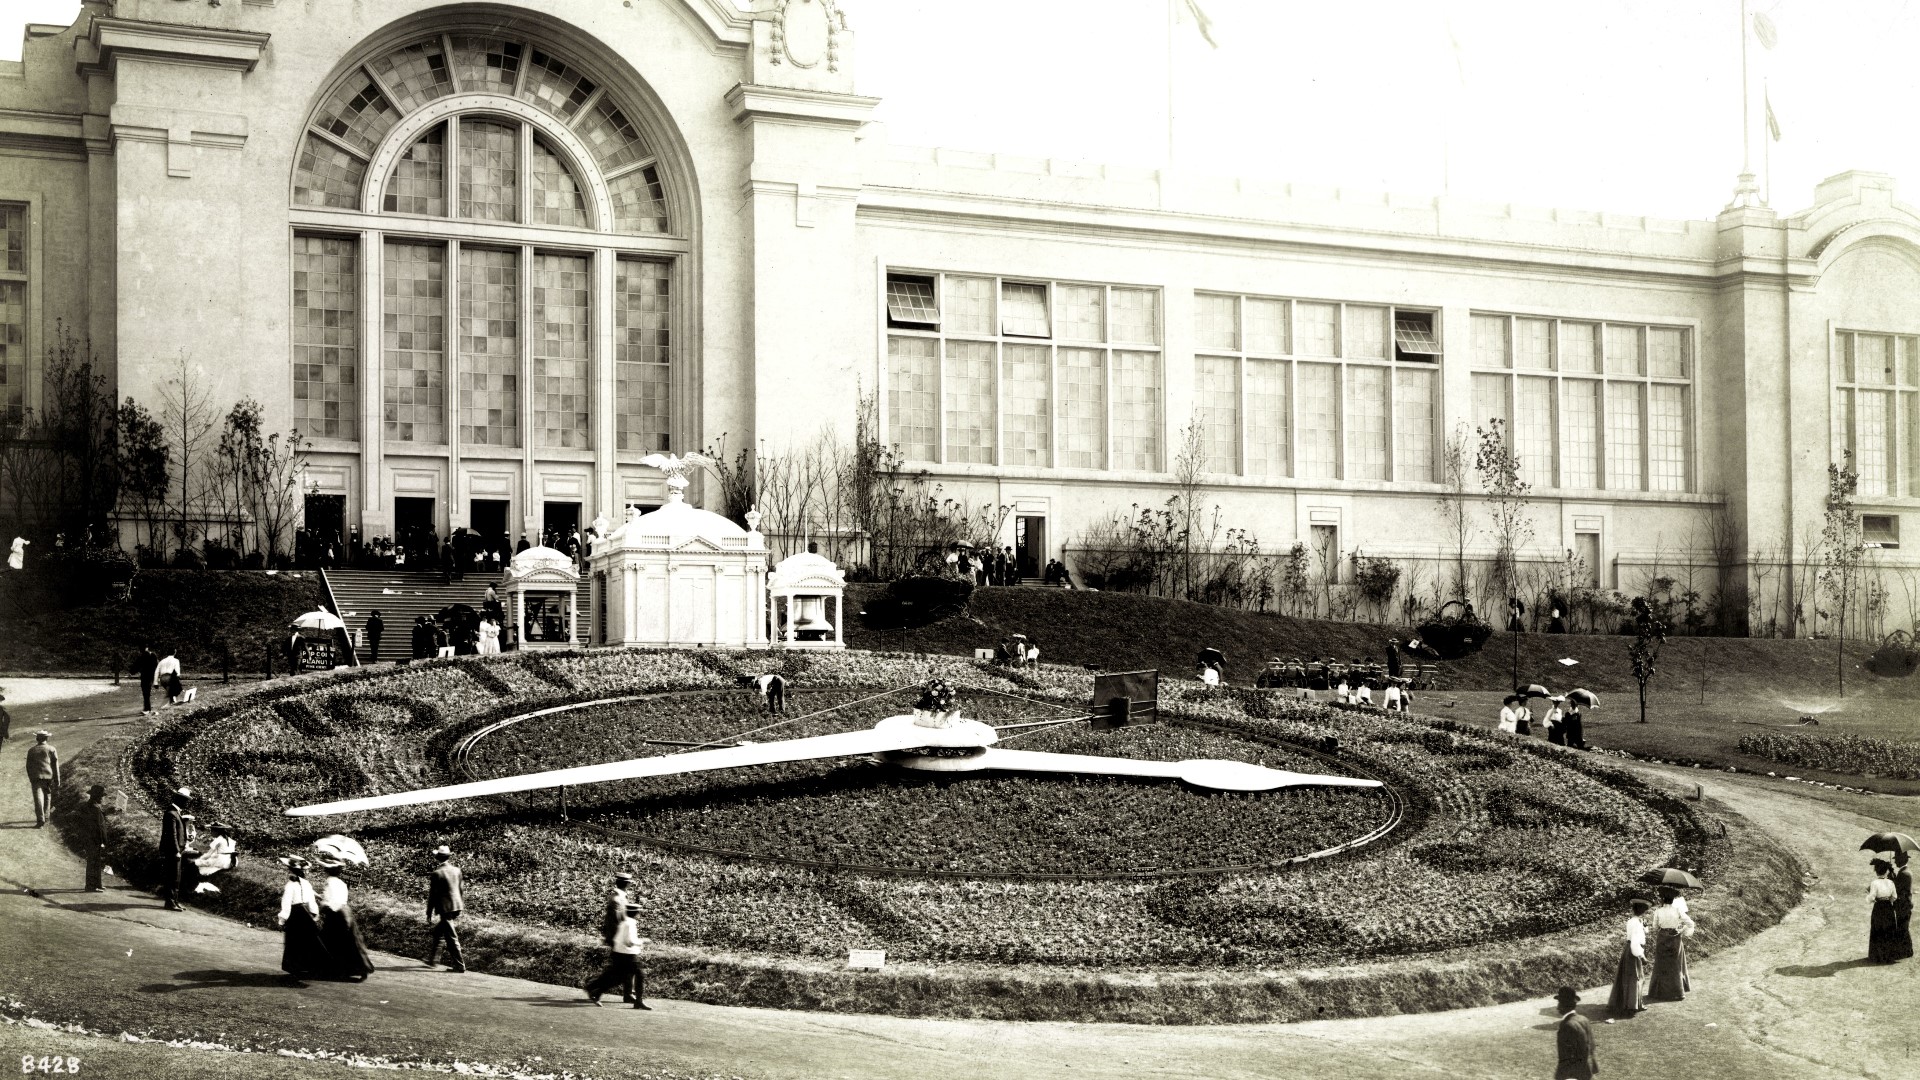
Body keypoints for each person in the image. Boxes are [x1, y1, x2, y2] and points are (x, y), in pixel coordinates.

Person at [316, 861, 375, 980]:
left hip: (335, 914)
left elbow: (328, 901)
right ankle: (359, 969)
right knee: (350, 941)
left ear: (327, 870)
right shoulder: (342, 883)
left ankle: (332, 970)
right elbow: (340, 899)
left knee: (330, 941)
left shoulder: (329, 882)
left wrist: (320, 906)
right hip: (346, 912)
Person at [586, 903, 651, 1009]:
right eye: (639, 912)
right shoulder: (630, 924)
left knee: (618, 978)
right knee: (640, 975)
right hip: (628, 955)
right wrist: (643, 941)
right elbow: (629, 942)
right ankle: (638, 1001)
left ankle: (596, 991)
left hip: (619, 952)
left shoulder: (624, 923)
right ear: (636, 913)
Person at [275, 856, 327, 985]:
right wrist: (314, 913)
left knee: (293, 943)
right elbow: (311, 900)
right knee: (307, 941)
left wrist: (282, 919)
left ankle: (294, 971)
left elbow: (286, 903)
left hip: (295, 914)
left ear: (290, 869)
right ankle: (307, 969)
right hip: (305, 914)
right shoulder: (306, 883)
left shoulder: (290, 885)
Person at [1645, 887, 1695, 1001]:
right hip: (1674, 938)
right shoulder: (1677, 910)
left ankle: (1660, 992)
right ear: (1673, 899)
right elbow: (1690, 923)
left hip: (1662, 937)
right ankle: (1678, 992)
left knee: (1661, 964)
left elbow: (1655, 927)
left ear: (1662, 899)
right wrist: (1682, 930)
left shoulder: (1658, 911)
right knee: (1675, 964)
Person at [425, 845, 466, 972]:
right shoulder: (457, 870)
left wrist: (429, 911)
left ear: (437, 858)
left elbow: (433, 894)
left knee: (451, 936)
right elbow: (461, 889)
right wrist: (459, 905)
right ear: (448, 857)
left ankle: (459, 965)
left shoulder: (437, 873)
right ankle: (433, 960)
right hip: (457, 906)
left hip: (445, 908)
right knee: (439, 931)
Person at [1606, 898, 1649, 1021]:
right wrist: (1642, 956)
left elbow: (1642, 933)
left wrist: (1645, 926)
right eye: (1643, 910)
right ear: (1640, 910)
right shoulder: (1636, 923)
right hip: (1633, 951)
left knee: (1631, 977)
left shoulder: (1634, 921)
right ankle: (1632, 1005)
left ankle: (1634, 1003)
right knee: (1635, 977)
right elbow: (1635, 942)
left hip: (1629, 950)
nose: (1644, 912)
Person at [601, 871, 639, 1003]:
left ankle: (628, 993)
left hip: (619, 937)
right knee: (622, 969)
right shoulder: (617, 899)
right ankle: (594, 988)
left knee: (625, 968)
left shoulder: (619, 897)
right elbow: (616, 921)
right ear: (627, 884)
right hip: (619, 938)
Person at [157, 785, 193, 909]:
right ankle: (170, 902)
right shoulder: (171, 813)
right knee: (172, 876)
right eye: (185, 800)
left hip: (177, 850)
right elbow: (172, 835)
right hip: (173, 850)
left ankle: (174, 900)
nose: (186, 803)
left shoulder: (175, 813)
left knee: (176, 877)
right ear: (179, 799)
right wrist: (177, 850)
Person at [76, 783, 116, 892]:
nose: (103, 799)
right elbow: (99, 826)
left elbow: (100, 814)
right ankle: (90, 886)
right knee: (93, 862)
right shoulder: (95, 808)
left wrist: (108, 811)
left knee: (95, 862)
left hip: (89, 839)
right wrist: (104, 841)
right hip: (94, 840)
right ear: (97, 797)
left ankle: (97, 884)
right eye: (102, 796)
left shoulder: (90, 806)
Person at [1553, 986, 1597, 1080]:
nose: (1557, 1007)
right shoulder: (1584, 1019)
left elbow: (1566, 1058)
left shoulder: (1566, 1026)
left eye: (1559, 1003)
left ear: (1562, 1006)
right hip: (1587, 1071)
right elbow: (1591, 1046)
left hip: (1575, 1075)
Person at [1868, 858, 1902, 963]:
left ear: (1876, 871)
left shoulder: (1874, 883)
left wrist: (1870, 898)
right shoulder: (1891, 882)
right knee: (1888, 929)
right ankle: (1889, 955)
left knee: (1878, 928)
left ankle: (1877, 956)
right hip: (1888, 907)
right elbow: (1894, 896)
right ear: (1886, 871)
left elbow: (1871, 897)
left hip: (1879, 907)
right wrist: (1889, 901)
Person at [189, 822, 238, 895]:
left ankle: (191, 888)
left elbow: (209, 854)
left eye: (212, 830)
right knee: (199, 864)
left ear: (217, 831)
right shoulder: (230, 840)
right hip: (229, 861)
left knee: (193, 865)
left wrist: (199, 860)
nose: (210, 832)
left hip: (219, 861)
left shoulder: (218, 840)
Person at [25, 730, 60, 827]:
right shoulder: (51, 749)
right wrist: (57, 780)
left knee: (38, 798)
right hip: (48, 777)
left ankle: (40, 820)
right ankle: (46, 817)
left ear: (37, 738)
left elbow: (28, 766)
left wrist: (31, 777)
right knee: (47, 796)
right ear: (47, 738)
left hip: (36, 777)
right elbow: (55, 765)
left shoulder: (31, 750)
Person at [1893, 851, 1914, 962]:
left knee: (1903, 928)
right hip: (1905, 905)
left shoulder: (1904, 873)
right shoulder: (1904, 871)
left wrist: (1892, 878)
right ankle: (1906, 951)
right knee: (1903, 927)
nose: (1895, 861)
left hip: (1903, 905)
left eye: (1896, 859)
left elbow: (1898, 889)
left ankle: (1906, 951)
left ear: (1902, 860)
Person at [133, 645, 159, 715]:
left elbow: (136, 667)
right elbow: (156, 665)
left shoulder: (142, 657)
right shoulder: (153, 655)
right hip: (151, 675)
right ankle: (147, 708)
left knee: (146, 692)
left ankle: (147, 708)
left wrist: (133, 671)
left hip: (145, 675)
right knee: (146, 692)